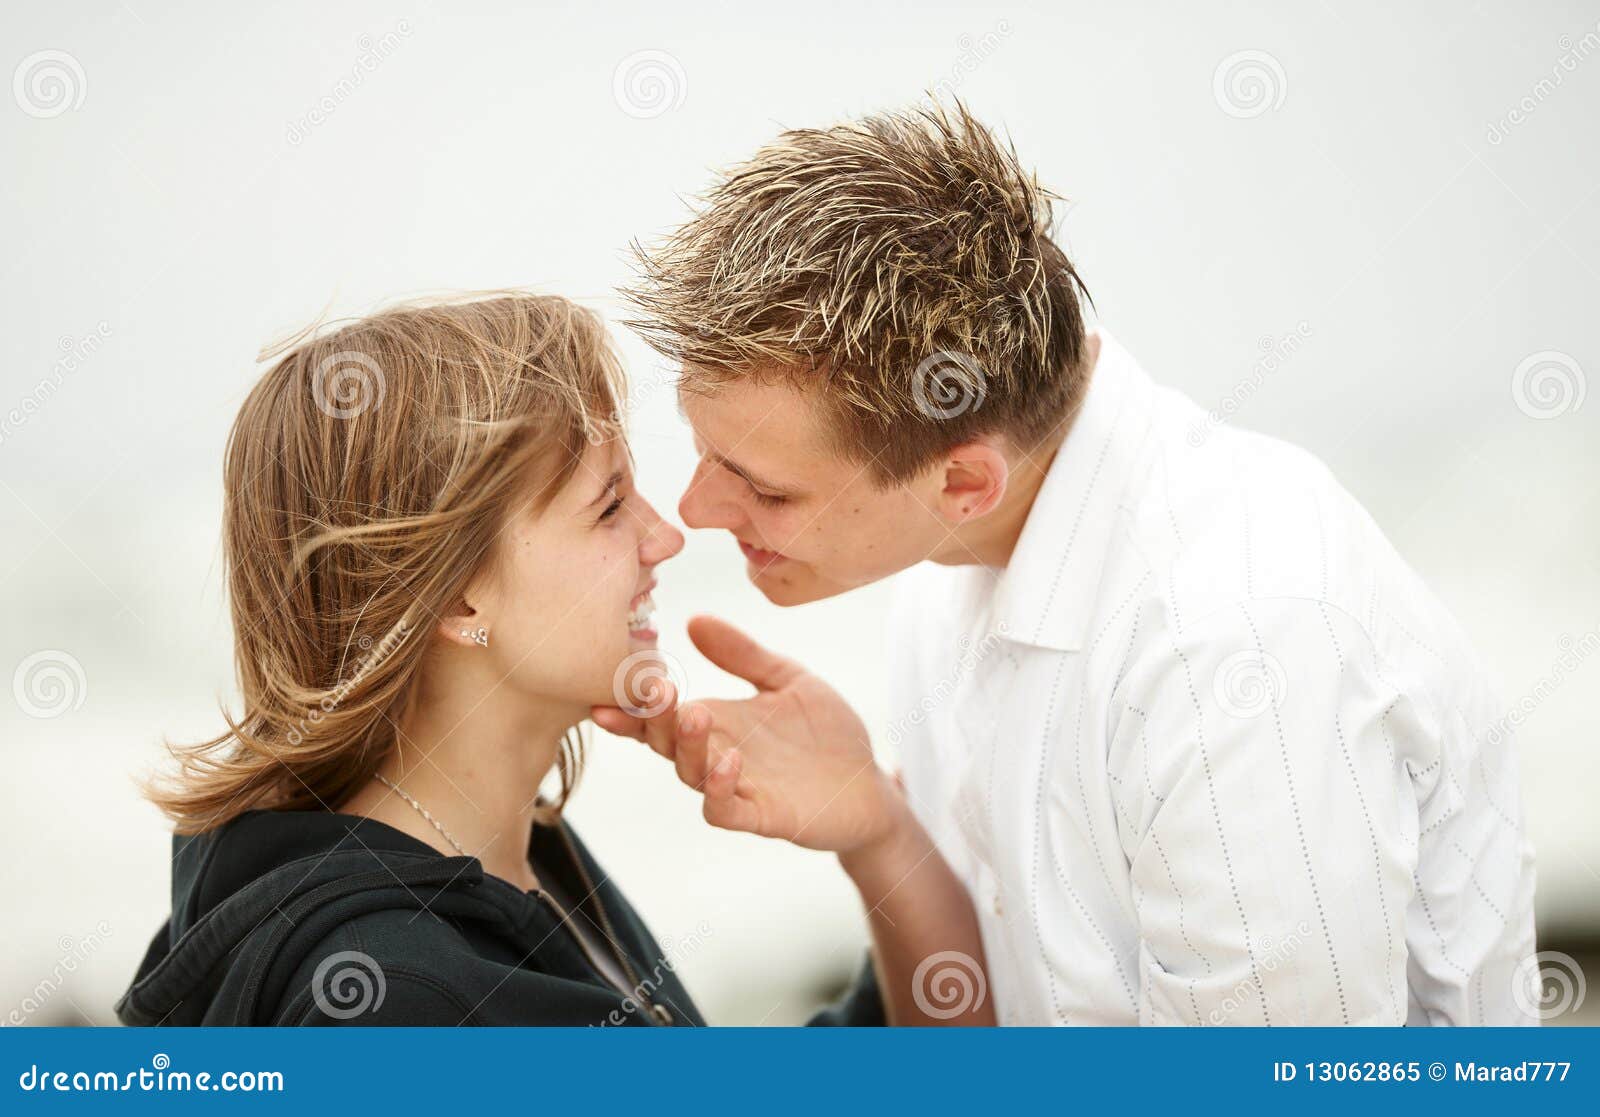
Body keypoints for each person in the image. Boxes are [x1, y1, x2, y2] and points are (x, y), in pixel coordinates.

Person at [600, 102, 1540, 1025]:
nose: (692, 512)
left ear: (965, 480)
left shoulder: (1237, 634)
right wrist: (883, 833)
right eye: (705, 451)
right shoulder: (954, 563)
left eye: (764, 488)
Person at [116, 294, 991, 1027]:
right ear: (458, 596)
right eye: (610, 507)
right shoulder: (408, 1002)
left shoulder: (507, 860)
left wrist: (876, 830)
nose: (666, 533)